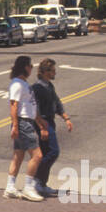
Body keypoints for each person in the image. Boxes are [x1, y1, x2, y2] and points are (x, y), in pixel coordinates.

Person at [31, 58, 72, 198]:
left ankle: (41, 184)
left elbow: (56, 102)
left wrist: (66, 117)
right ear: (44, 72)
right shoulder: (37, 88)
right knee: (53, 152)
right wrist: (42, 127)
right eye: (53, 70)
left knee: (46, 151)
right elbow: (34, 109)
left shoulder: (49, 86)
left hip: (49, 122)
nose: (55, 72)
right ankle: (35, 181)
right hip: (43, 122)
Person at [4, 56, 43, 201]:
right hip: (23, 123)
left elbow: (30, 105)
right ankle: (28, 187)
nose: (32, 69)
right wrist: (15, 126)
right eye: (30, 66)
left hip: (27, 122)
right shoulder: (17, 84)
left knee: (18, 156)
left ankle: (10, 187)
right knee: (37, 155)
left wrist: (39, 121)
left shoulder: (23, 83)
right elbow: (13, 106)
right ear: (25, 67)